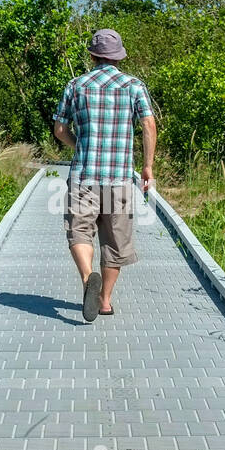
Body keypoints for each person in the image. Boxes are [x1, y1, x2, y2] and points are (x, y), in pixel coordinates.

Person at [51, 29, 156, 322]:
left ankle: (88, 279)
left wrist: (79, 144)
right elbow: (148, 124)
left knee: (79, 231)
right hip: (120, 177)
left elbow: (59, 130)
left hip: (84, 175)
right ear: (118, 56)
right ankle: (105, 300)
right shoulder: (133, 85)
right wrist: (147, 166)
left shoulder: (76, 85)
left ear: (92, 55)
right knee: (114, 241)